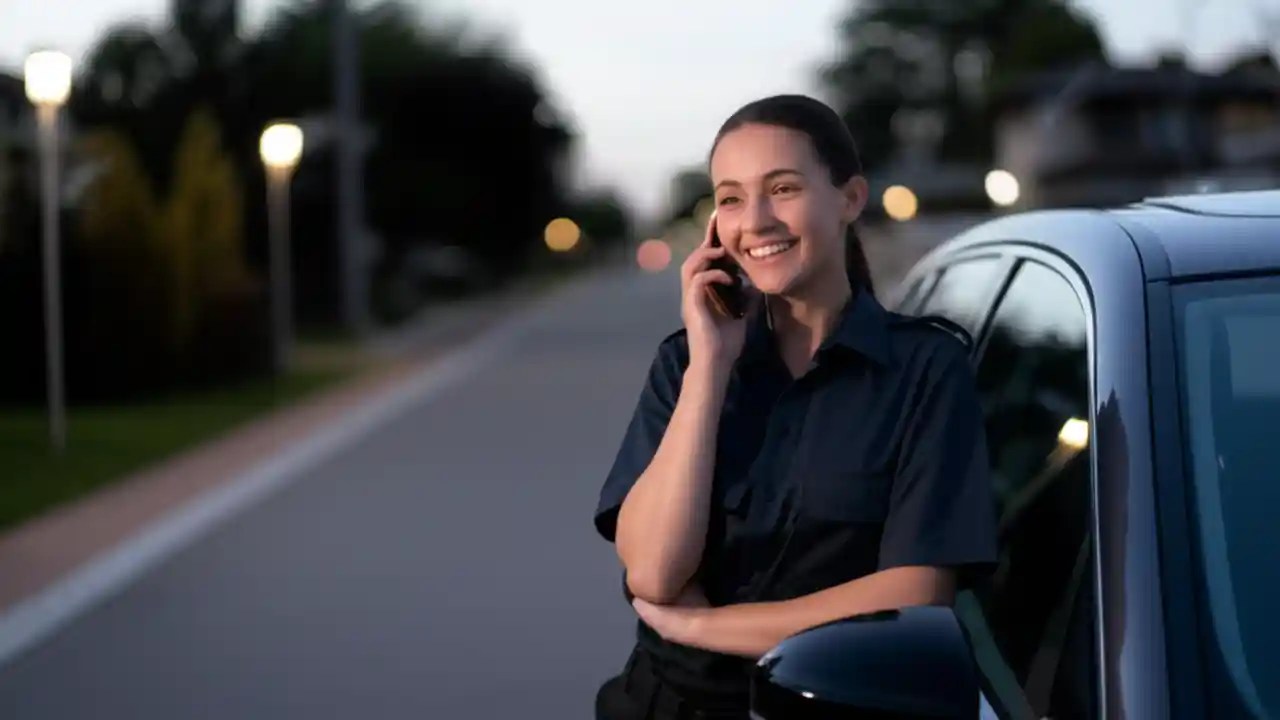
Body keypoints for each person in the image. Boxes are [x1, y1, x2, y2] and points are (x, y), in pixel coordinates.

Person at [592, 94, 998, 720]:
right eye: (730, 198)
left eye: (781, 188)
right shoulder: (686, 364)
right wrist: (712, 365)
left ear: (850, 198)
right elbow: (652, 574)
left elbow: (916, 593)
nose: (754, 221)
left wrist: (704, 628)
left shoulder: (924, 370)